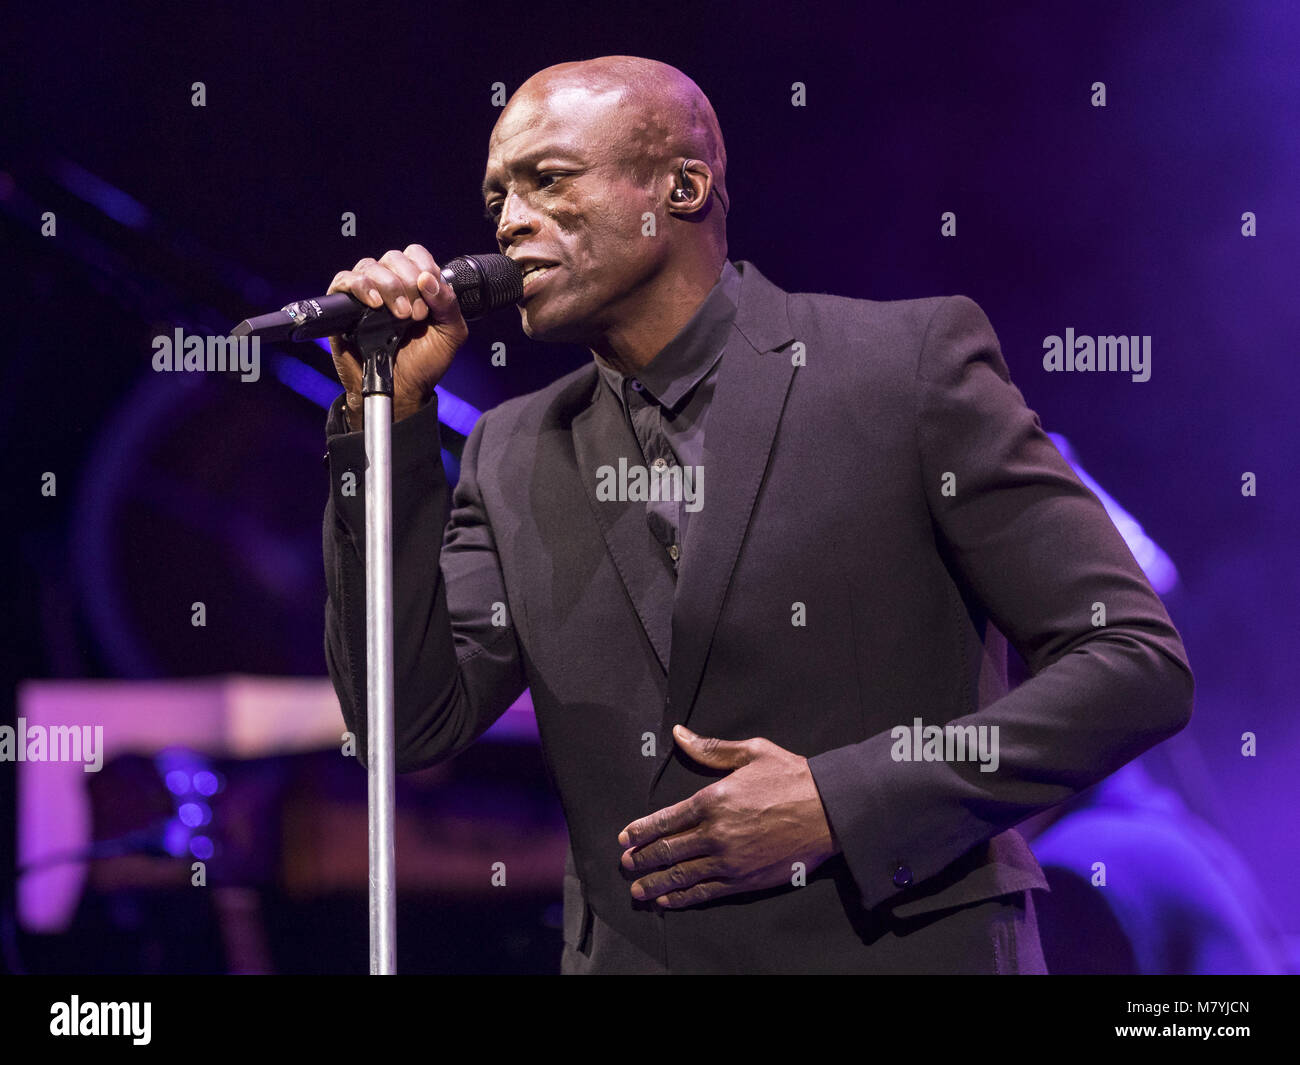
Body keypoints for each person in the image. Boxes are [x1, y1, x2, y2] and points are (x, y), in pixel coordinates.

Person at [321, 55, 1194, 973]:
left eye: (549, 179)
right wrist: (385, 425)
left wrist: (842, 800)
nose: (508, 220)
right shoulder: (510, 447)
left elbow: (1133, 662)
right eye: (498, 194)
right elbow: (404, 724)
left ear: (683, 187)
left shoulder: (903, 368)